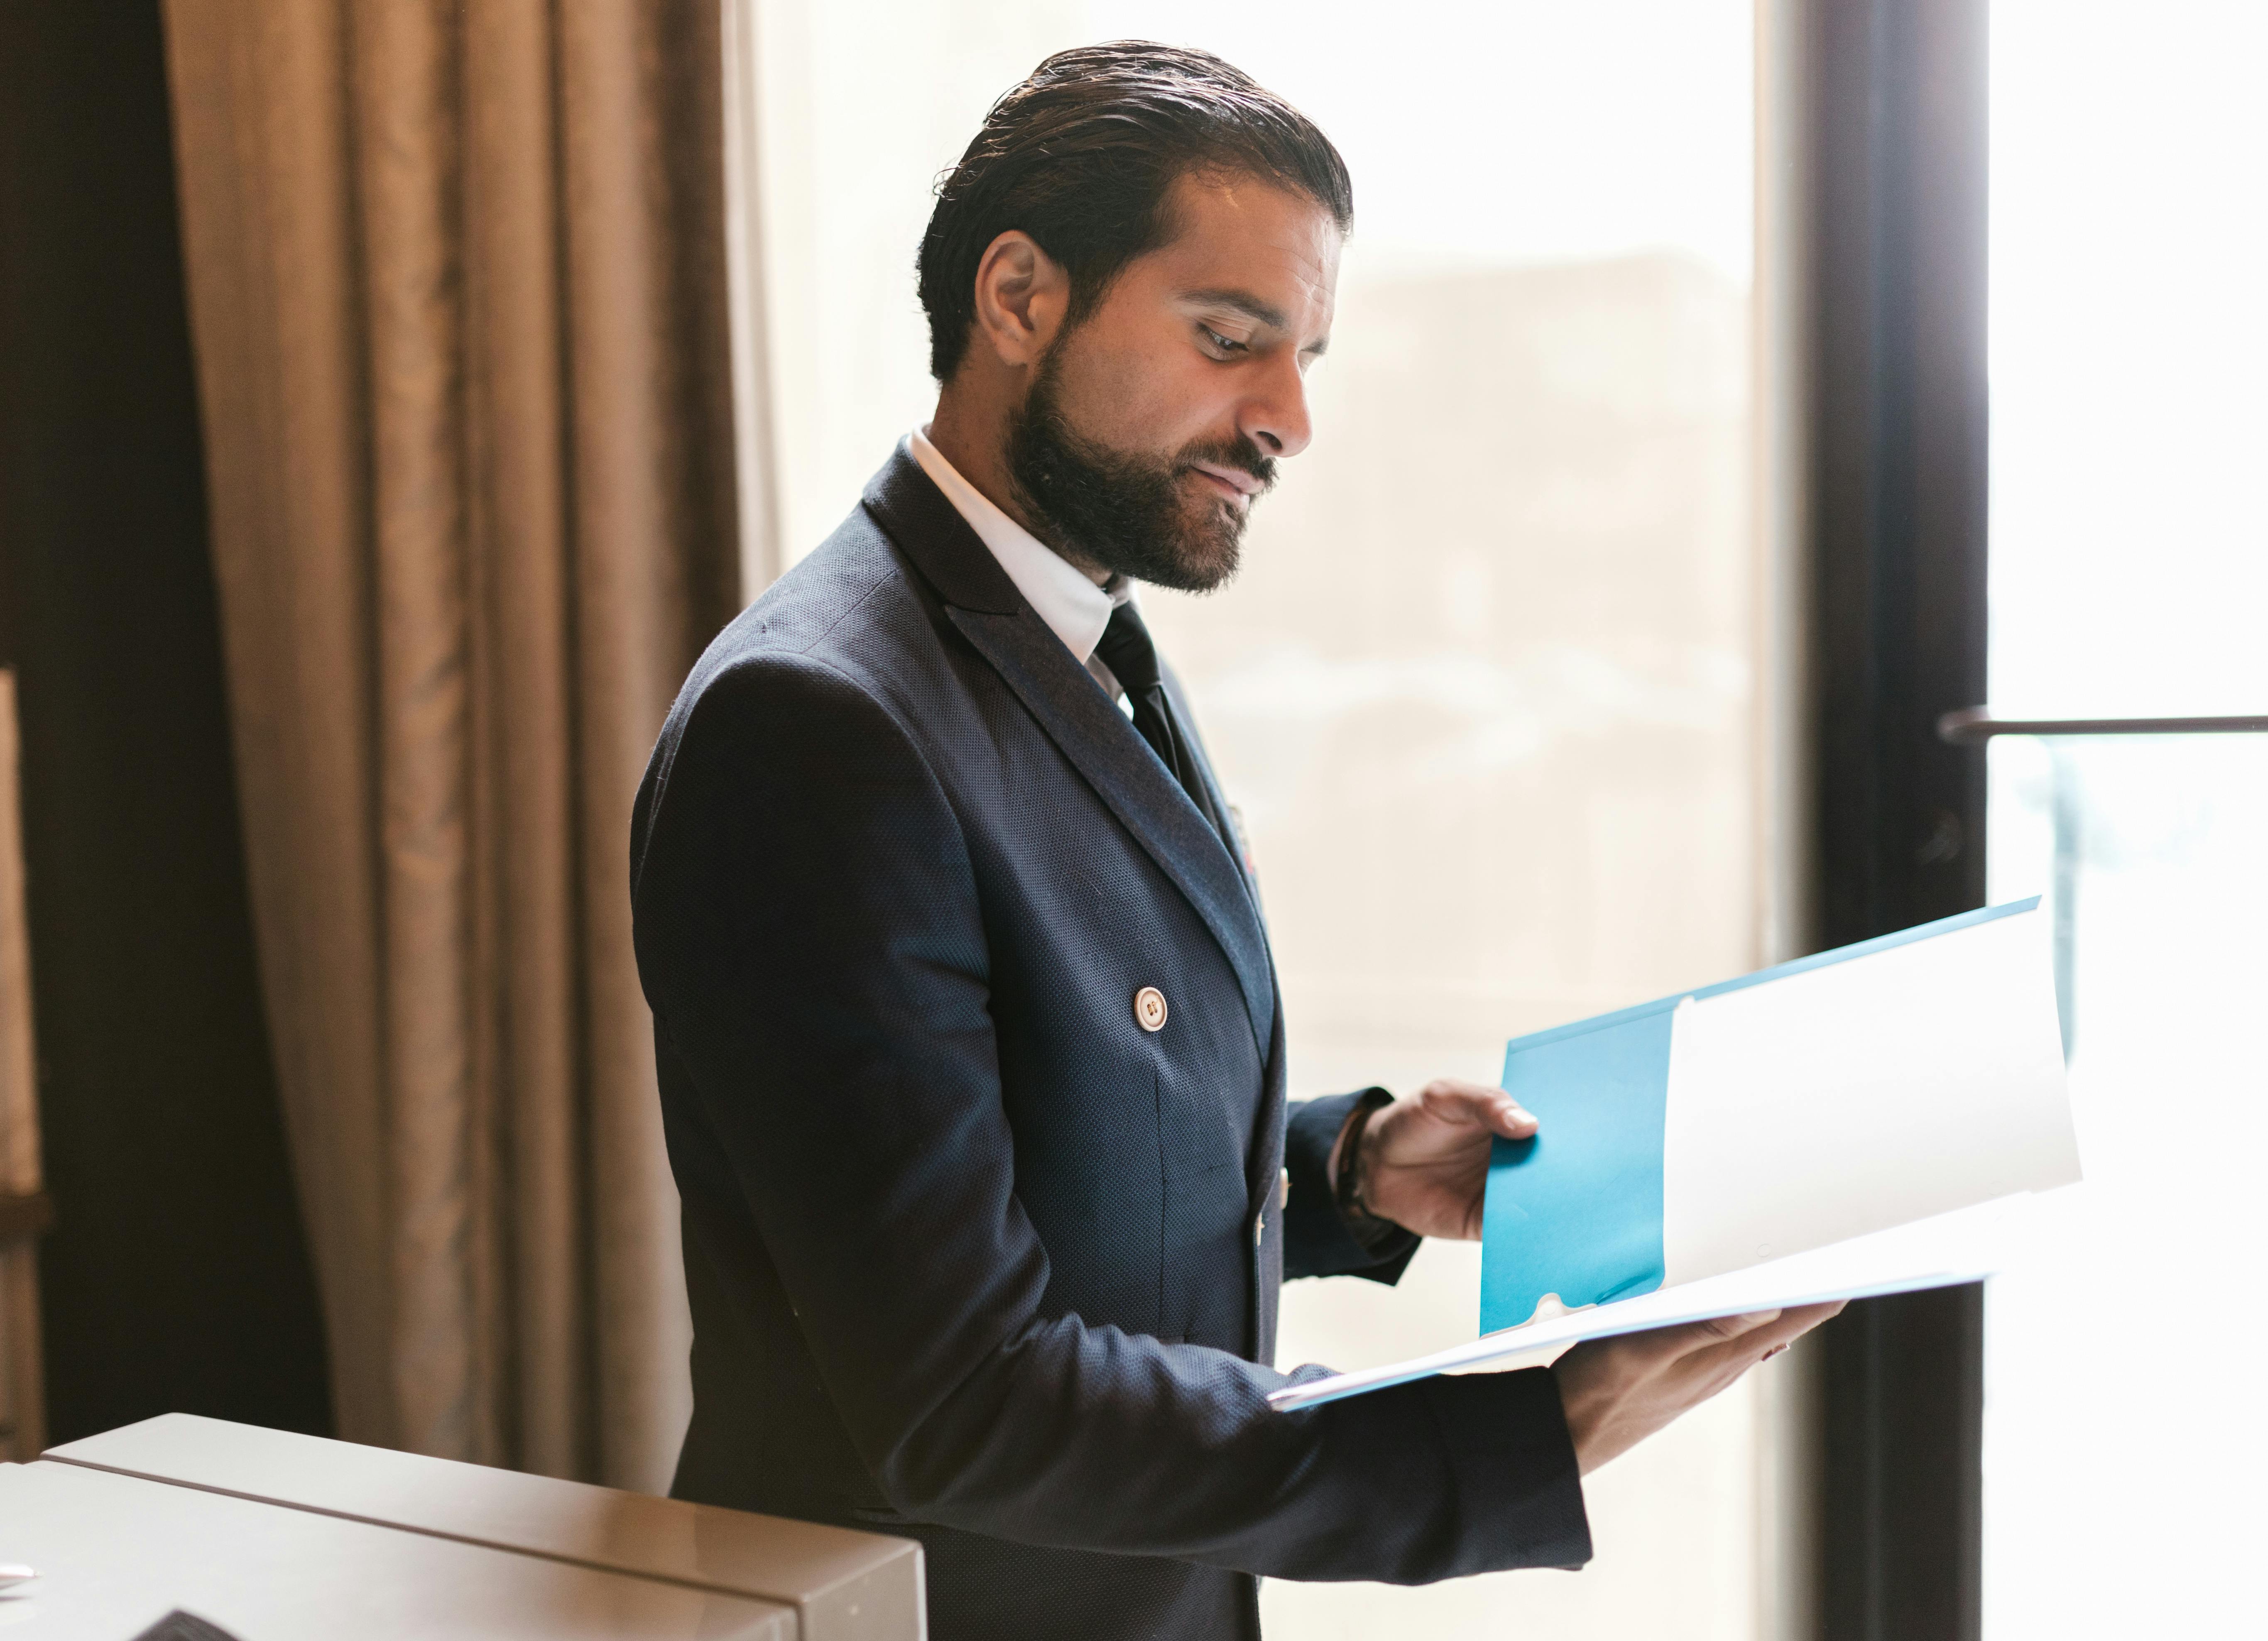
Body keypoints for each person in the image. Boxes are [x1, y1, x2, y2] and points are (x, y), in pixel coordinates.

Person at [629, 40, 1838, 1641]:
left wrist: (1345, 1168)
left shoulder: (1071, 627)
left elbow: (1039, 1126)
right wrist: (1506, 1442)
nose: (1287, 418)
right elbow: (963, 1397)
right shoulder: (818, 727)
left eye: (1307, 355)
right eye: (1229, 341)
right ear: (1017, 298)